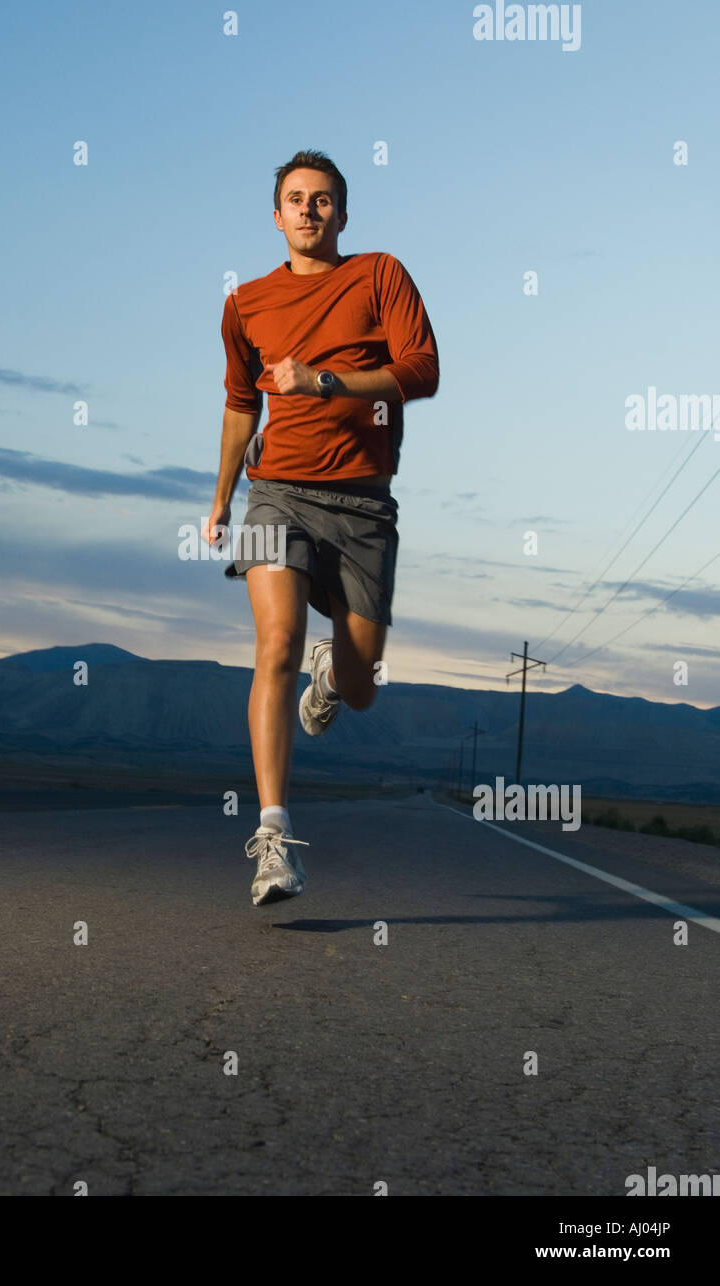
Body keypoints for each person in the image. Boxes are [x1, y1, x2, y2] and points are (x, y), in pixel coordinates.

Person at [204, 149, 439, 905]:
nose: (309, 210)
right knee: (273, 642)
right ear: (276, 216)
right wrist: (218, 500)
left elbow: (422, 370)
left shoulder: (378, 275)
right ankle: (273, 839)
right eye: (296, 199)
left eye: (323, 199)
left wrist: (322, 379)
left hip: (364, 504)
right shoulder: (246, 305)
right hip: (276, 493)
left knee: (363, 687)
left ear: (341, 212)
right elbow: (242, 404)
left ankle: (333, 675)